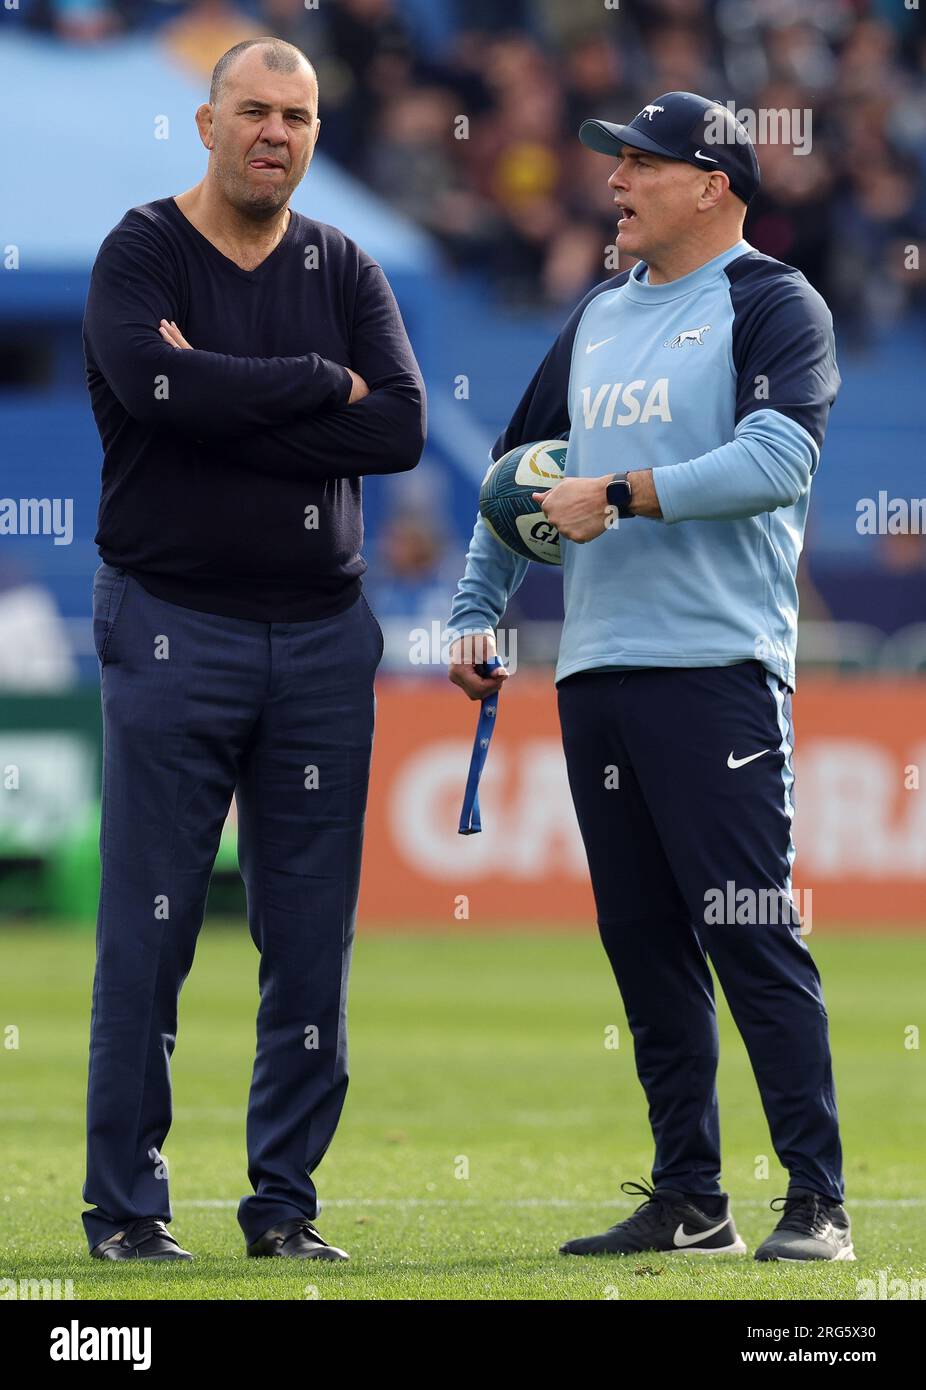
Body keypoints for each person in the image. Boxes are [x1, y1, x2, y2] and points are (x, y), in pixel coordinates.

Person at [447, 91, 852, 1261]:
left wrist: (616, 494)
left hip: (716, 669)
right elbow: (515, 476)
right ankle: (690, 1198)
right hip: (596, 673)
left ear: (711, 183)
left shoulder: (774, 303)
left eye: (641, 163)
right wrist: (478, 612)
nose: (615, 181)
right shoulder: (595, 316)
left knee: (747, 931)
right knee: (641, 941)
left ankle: (815, 1199)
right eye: (614, 162)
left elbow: (777, 460)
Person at [81, 37, 425, 1262]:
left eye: (298, 114)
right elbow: (150, 387)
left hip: (325, 641)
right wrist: (314, 383)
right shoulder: (139, 250)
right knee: (151, 933)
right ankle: (126, 1211)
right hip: (174, 625)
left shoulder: (345, 262)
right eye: (254, 111)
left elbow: (397, 432)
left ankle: (283, 1207)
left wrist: (230, 402)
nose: (276, 132)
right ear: (206, 121)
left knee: (310, 941)